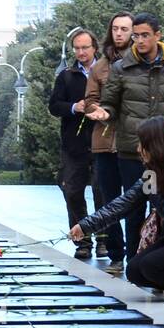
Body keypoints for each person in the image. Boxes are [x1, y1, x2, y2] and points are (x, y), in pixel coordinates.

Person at [69, 117, 164, 313]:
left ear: (156, 146)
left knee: (150, 266)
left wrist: (154, 192)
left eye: (143, 144)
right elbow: (123, 204)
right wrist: (85, 226)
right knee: (134, 270)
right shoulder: (157, 172)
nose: (139, 149)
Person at [86, 12, 164, 270]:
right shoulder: (121, 68)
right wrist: (105, 113)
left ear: (158, 35)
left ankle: (162, 264)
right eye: (136, 36)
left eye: (145, 35)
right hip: (133, 150)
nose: (139, 40)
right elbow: (110, 103)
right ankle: (134, 264)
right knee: (134, 208)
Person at [83, 12, 133, 263]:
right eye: (115, 29)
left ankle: (136, 254)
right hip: (105, 141)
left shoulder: (140, 62)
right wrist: (100, 110)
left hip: (134, 142)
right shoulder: (100, 66)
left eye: (124, 29)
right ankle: (115, 254)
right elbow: (90, 100)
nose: (119, 33)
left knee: (136, 201)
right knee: (108, 201)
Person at [48, 27, 99, 260]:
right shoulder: (66, 76)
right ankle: (82, 241)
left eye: (85, 47)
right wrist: (73, 107)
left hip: (101, 141)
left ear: (94, 48)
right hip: (73, 144)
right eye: (77, 48)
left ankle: (105, 239)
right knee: (72, 191)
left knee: (102, 192)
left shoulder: (106, 71)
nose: (81, 52)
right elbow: (54, 106)